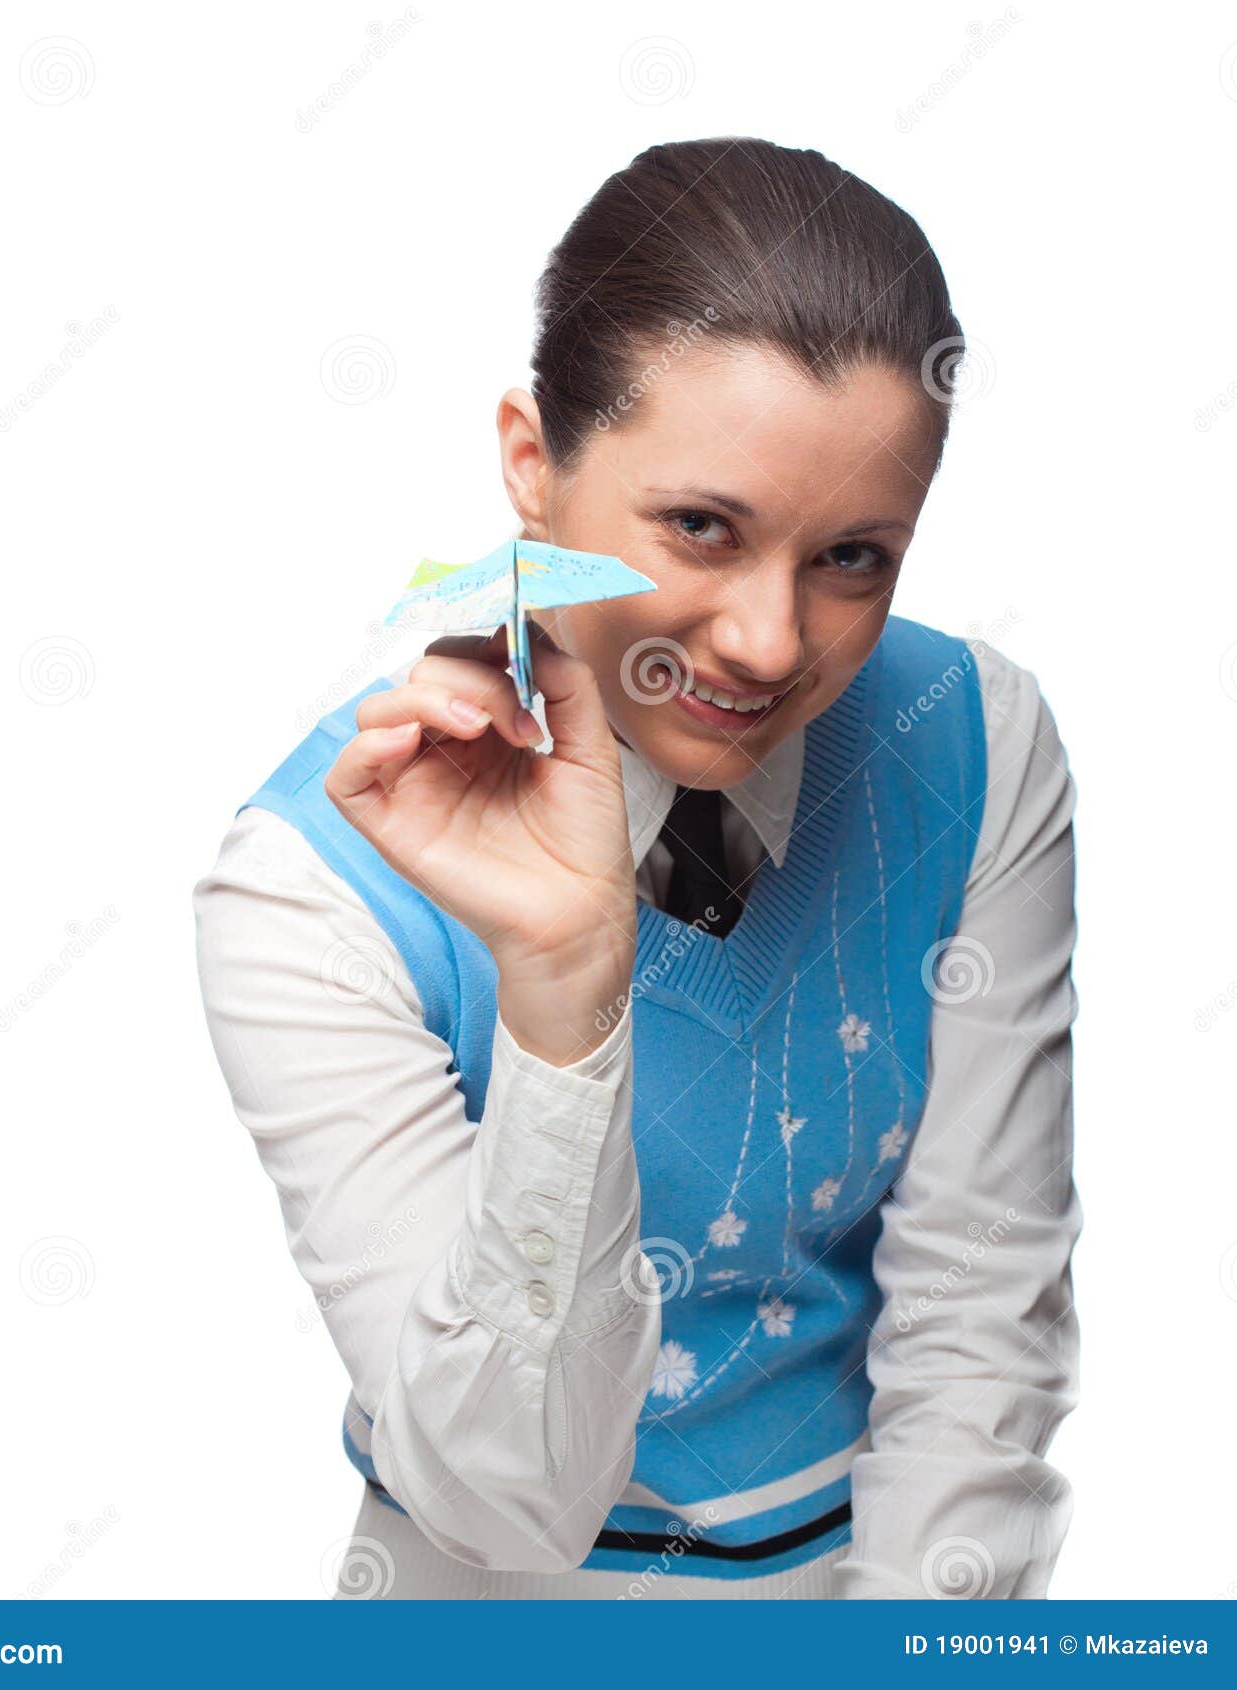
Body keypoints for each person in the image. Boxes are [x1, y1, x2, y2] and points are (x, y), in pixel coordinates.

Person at [193, 136, 1082, 1600]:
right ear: (531, 464)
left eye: (851, 556)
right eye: (699, 527)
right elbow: (503, 1498)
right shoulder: (307, 890)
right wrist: (562, 997)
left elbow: (980, 1314)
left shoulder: (969, 744)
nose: (766, 640)